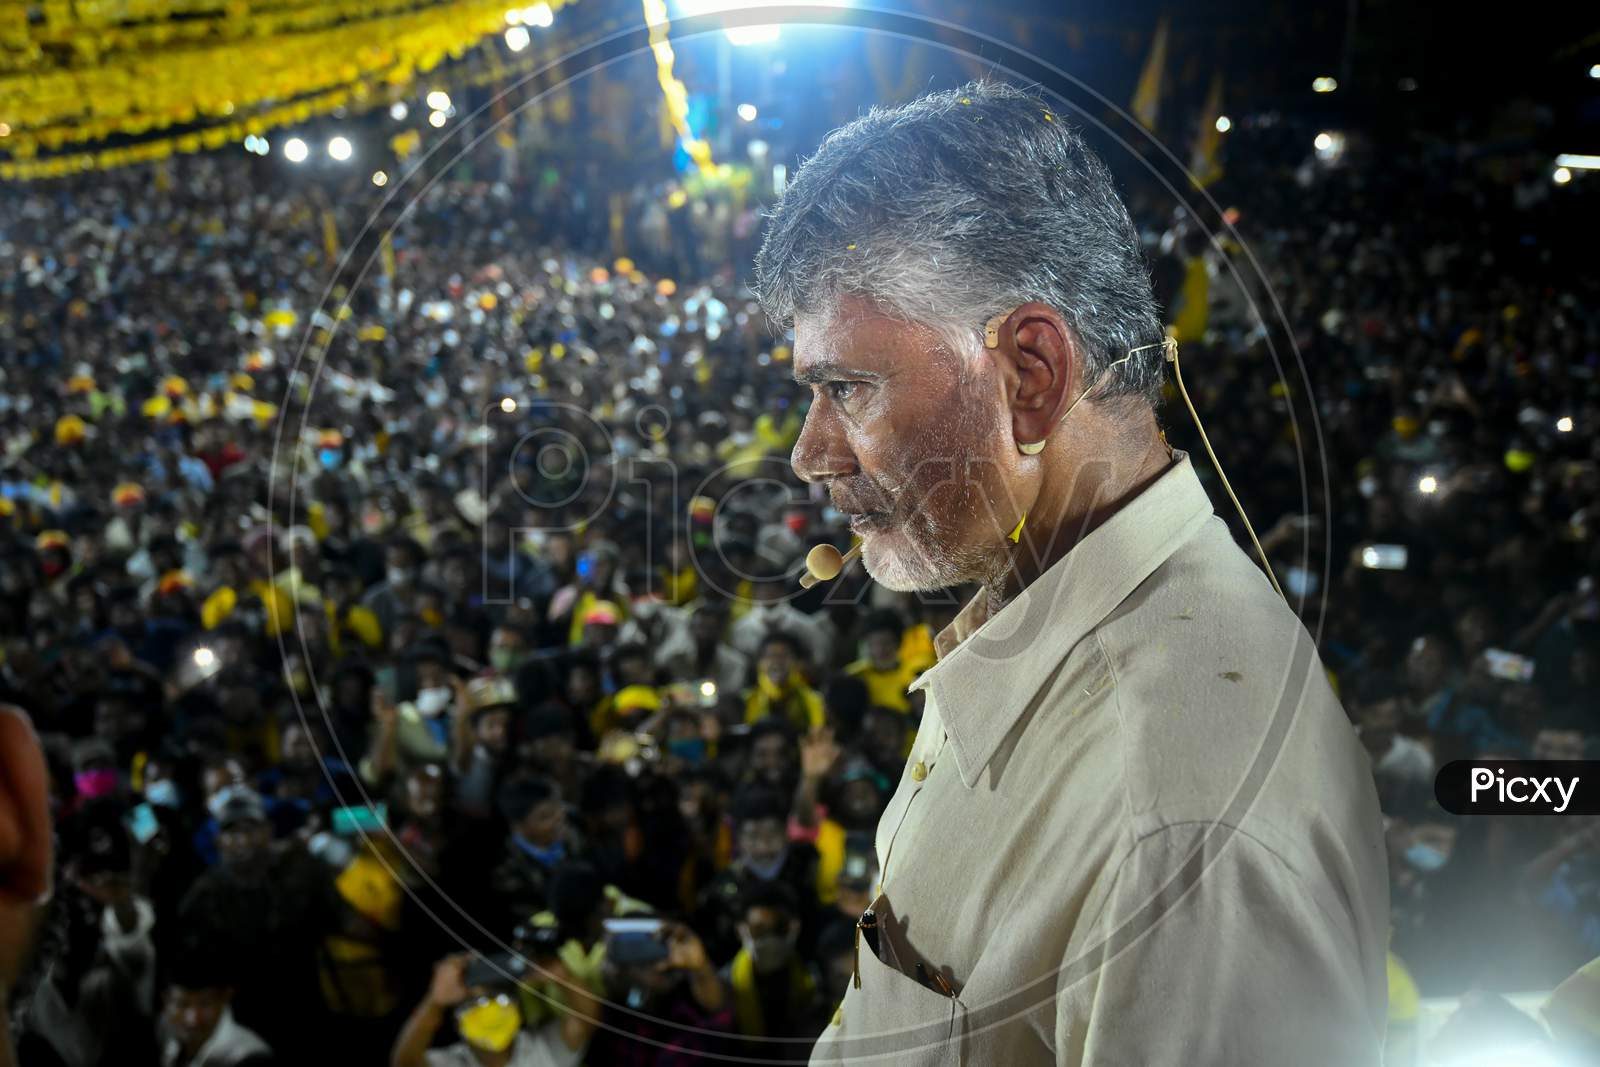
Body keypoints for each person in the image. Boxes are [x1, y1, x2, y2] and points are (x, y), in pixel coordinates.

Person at [759, 80, 1387, 1063]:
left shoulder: (1178, 828)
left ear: (1029, 375)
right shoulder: (1032, 622)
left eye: (845, 387)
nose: (810, 451)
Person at [390, 951, 599, 1067]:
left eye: (495, 998)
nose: (488, 1008)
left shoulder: (540, 1053)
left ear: (516, 1006)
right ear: (456, 1021)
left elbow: (583, 1020)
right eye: (474, 1003)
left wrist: (562, 977)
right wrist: (434, 1002)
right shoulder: (452, 1062)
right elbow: (404, 1063)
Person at [720, 880, 822, 1059]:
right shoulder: (723, 985)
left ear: (794, 927)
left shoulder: (815, 981)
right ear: (741, 930)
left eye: (779, 928)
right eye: (758, 929)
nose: (770, 938)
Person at [158, 945, 275, 1067]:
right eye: (181, 1004)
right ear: (166, 1000)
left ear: (226, 997)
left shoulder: (252, 1059)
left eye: (205, 1004)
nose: (192, 1020)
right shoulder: (162, 1030)